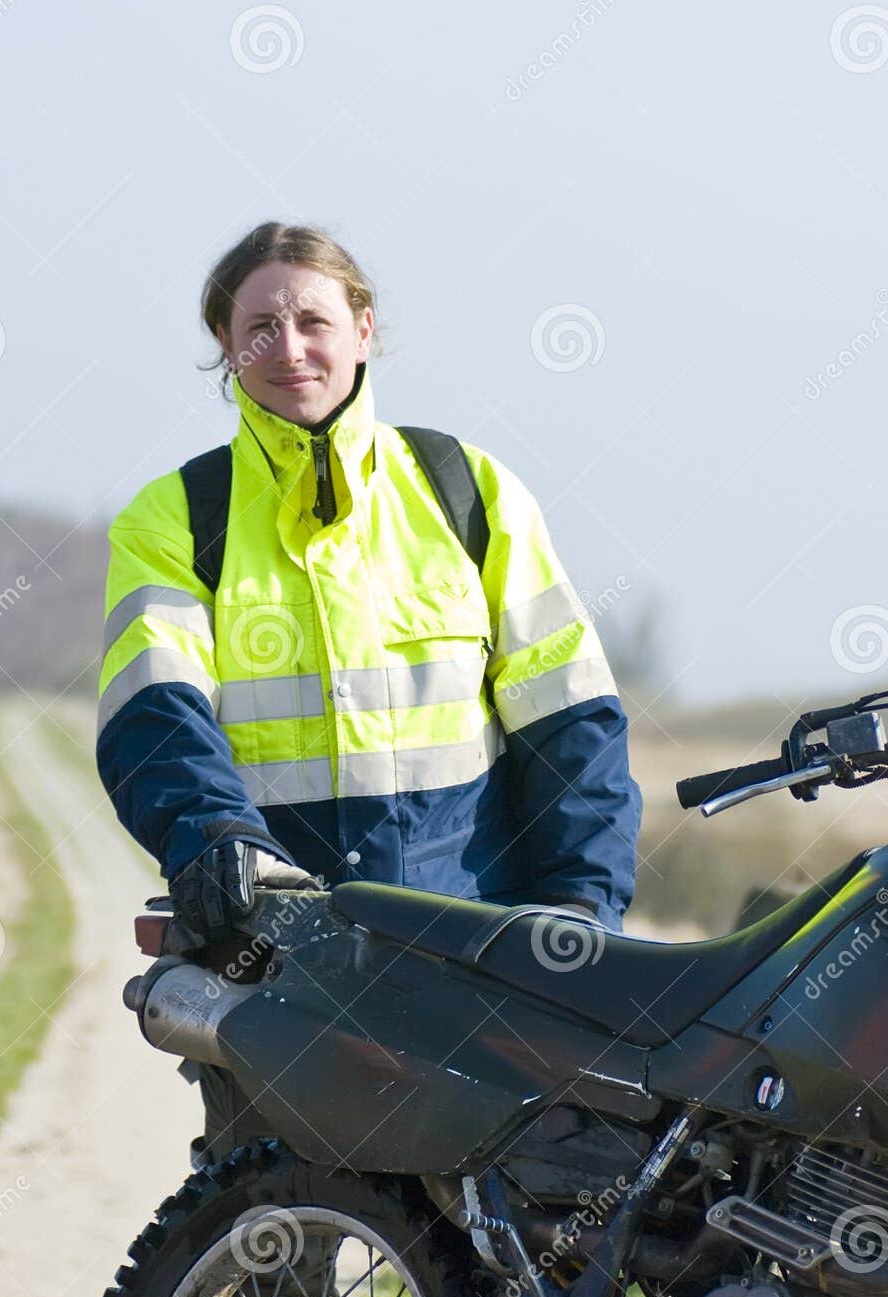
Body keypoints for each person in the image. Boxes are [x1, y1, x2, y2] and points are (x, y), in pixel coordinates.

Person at [96, 222, 642, 1154]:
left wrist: (580, 909)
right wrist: (218, 837)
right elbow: (155, 713)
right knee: (269, 1238)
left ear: (363, 327)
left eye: (313, 318)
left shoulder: (466, 489)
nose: (290, 346)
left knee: (510, 1251)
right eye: (259, 325)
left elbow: (573, 719)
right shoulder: (175, 518)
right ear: (226, 347)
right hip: (270, 948)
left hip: (473, 952)